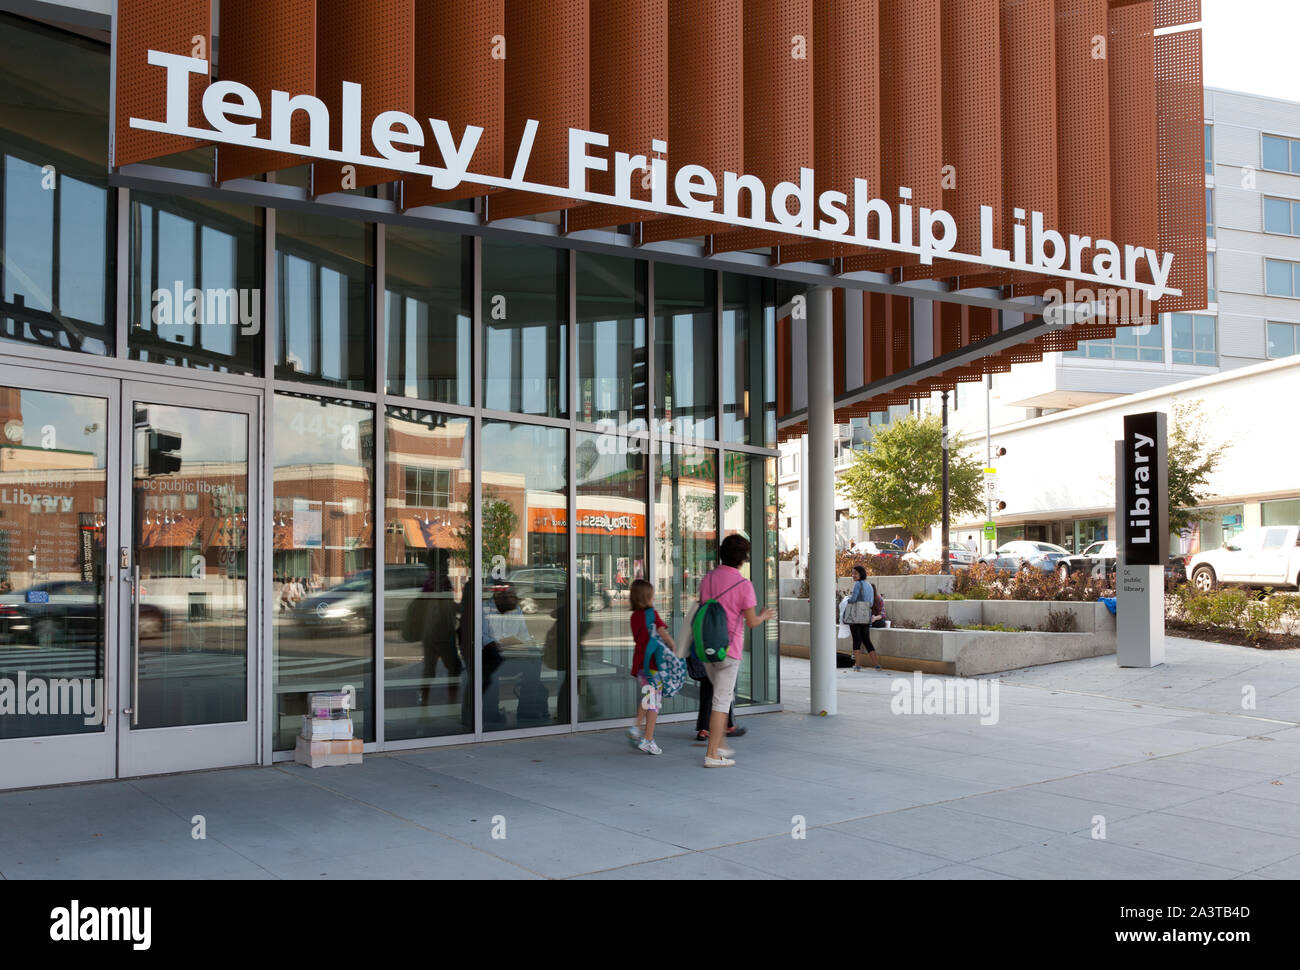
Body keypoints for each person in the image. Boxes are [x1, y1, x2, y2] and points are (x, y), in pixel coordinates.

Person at [698, 534, 776, 768]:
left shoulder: (708, 579)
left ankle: (720, 744)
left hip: (707, 648)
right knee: (721, 701)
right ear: (743, 559)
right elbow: (751, 622)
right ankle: (712, 754)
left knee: (720, 696)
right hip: (729, 651)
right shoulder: (744, 585)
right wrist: (764, 615)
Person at [626, 579, 675, 755]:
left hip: (641, 664)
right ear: (648, 596)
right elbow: (662, 632)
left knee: (648, 696)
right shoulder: (652, 614)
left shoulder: (634, 617)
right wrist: (673, 645)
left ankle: (637, 727)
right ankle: (648, 739)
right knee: (654, 703)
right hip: (653, 664)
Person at [846, 565, 882, 671]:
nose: (853, 575)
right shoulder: (869, 585)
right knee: (867, 640)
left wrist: (848, 599)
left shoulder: (858, 584)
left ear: (861, 574)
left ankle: (857, 665)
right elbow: (870, 602)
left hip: (856, 615)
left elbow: (853, 599)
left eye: (855, 573)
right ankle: (877, 665)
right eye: (852, 573)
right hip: (866, 614)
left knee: (856, 640)